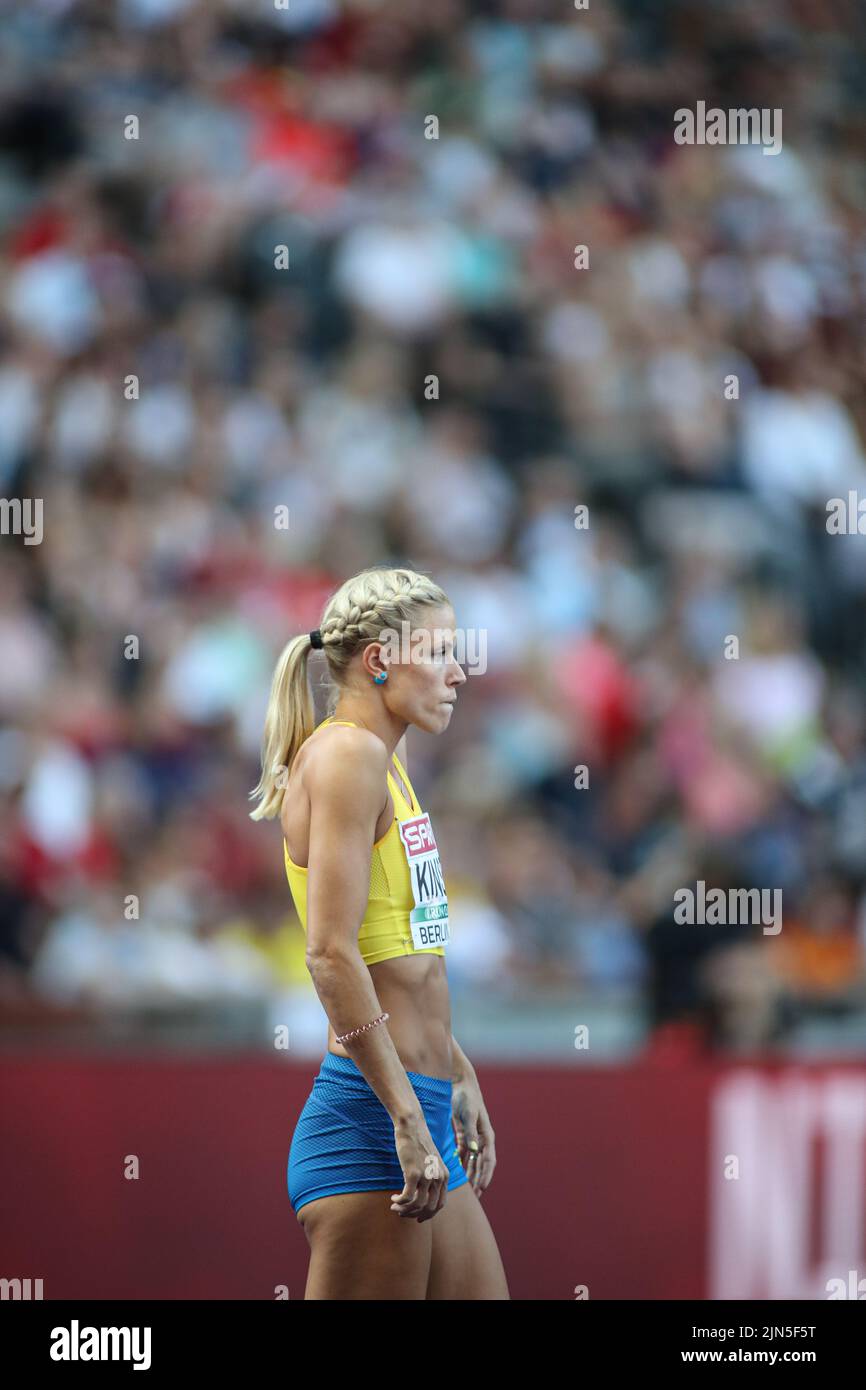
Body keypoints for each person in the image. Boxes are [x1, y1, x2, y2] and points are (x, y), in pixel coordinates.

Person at [250, 565, 510, 1300]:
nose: (459, 672)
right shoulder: (346, 757)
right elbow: (329, 954)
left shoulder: (384, 763)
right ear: (379, 662)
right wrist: (403, 1114)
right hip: (373, 1124)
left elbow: (399, 956)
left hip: (418, 1107)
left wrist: (456, 1069)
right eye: (439, 653)